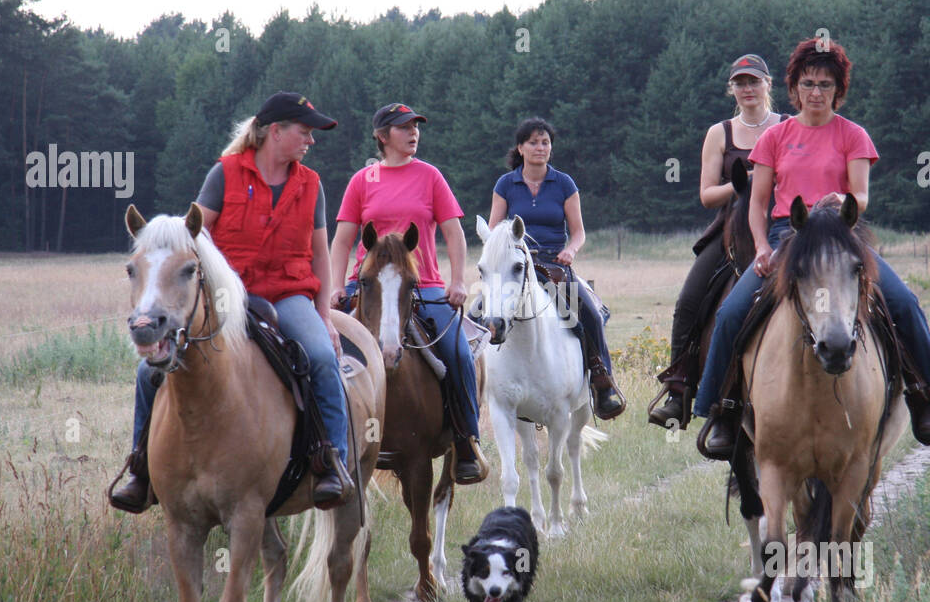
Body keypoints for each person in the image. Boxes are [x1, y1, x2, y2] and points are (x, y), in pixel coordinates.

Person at [694, 38, 930, 457]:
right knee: (729, 312)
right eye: (808, 83)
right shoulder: (775, 138)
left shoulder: (853, 135)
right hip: (788, 237)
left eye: (825, 84)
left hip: (840, 237)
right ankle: (721, 409)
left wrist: (844, 202)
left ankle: (925, 396)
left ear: (838, 90)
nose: (816, 92)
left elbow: (862, 196)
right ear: (795, 89)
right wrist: (761, 247)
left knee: (903, 302)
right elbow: (757, 202)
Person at [110, 91, 354, 512]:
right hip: (228, 296)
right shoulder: (224, 174)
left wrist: (324, 317)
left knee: (320, 356)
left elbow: (319, 251)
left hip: (289, 293)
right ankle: (140, 469)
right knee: (147, 373)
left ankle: (332, 462)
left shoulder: (310, 184)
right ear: (275, 132)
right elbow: (193, 241)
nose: (311, 140)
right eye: (305, 131)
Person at [329, 102, 487, 484]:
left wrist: (458, 281)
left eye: (416, 126)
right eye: (403, 127)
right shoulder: (362, 181)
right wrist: (336, 285)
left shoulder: (430, 176)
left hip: (424, 285)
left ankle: (466, 442)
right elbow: (343, 240)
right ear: (383, 137)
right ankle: (322, 446)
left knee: (458, 352)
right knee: (322, 349)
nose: (413, 133)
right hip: (366, 284)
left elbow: (453, 233)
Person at [649, 54, 784, 428]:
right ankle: (678, 390)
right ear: (732, 89)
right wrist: (747, 181)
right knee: (688, 302)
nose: (747, 89)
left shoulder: (788, 127)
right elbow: (707, 195)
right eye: (740, 83)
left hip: (784, 226)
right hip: (731, 228)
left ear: (767, 84)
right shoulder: (719, 133)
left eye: (753, 82)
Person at [487, 117, 626, 419]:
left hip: (554, 264)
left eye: (545, 142)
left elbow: (578, 231)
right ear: (520, 148)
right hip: (515, 265)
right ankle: (478, 380)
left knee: (588, 310)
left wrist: (570, 250)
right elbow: (495, 228)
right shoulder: (505, 184)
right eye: (534, 142)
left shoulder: (564, 183)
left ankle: (602, 382)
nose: (540, 147)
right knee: (477, 314)